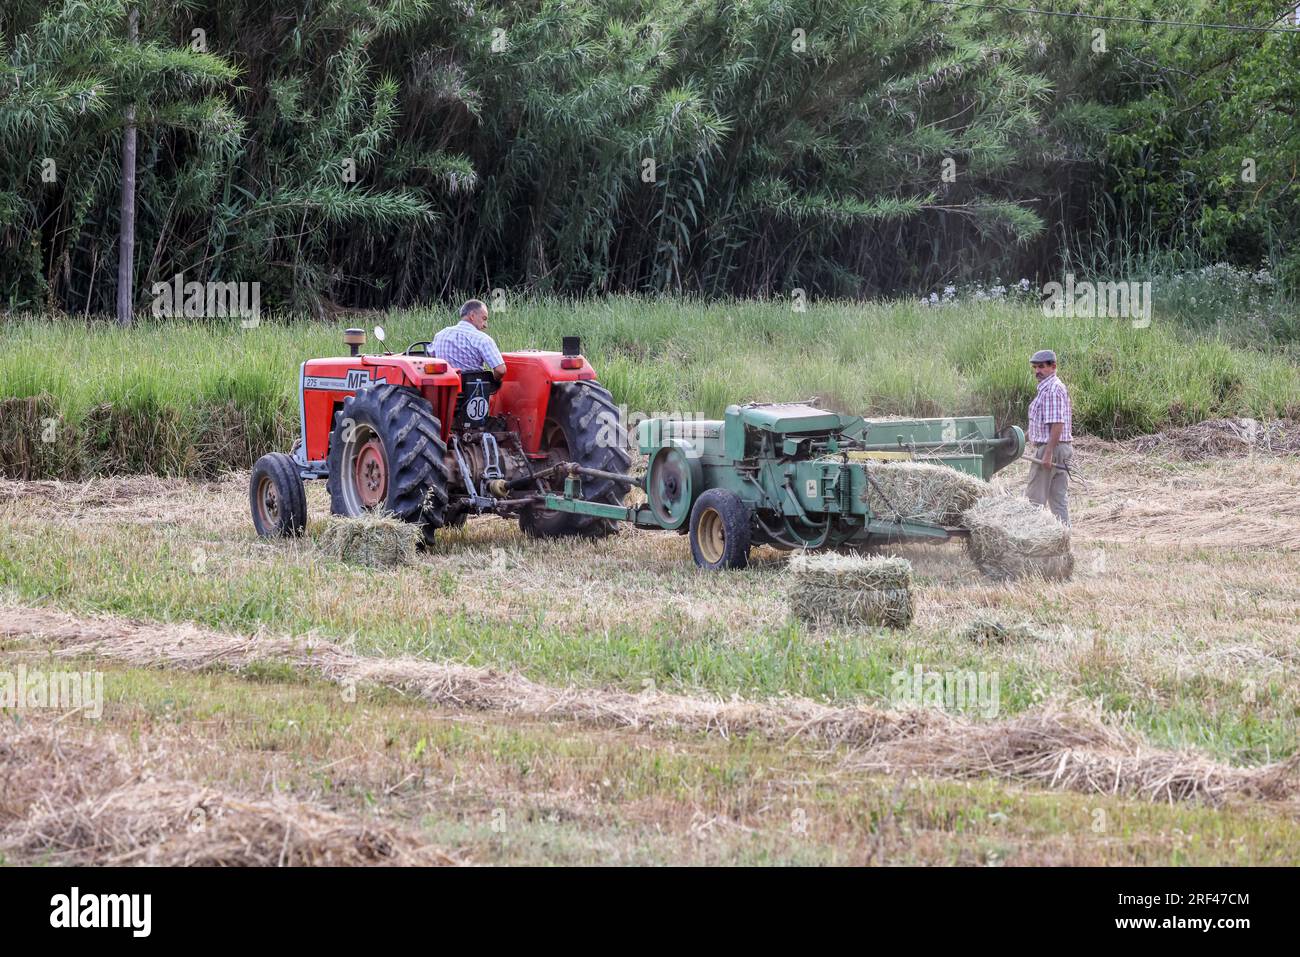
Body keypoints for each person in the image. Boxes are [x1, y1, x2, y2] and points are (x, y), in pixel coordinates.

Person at [1025, 349, 1073, 525]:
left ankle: (1031, 543)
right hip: (1061, 448)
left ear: (1053, 366)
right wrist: (1021, 438)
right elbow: (1042, 423)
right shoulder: (1048, 388)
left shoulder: (1052, 389)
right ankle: (1063, 540)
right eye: (1035, 367)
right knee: (1058, 500)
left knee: (1033, 500)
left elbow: (1057, 424)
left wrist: (1048, 453)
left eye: (1042, 367)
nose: (1037, 371)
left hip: (1050, 448)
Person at [432, 299, 507, 380]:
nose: (485, 325)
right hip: (474, 390)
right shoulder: (482, 339)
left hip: (445, 389)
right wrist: (494, 381)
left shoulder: (439, 335)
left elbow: (431, 357)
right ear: (472, 315)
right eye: (484, 319)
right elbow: (500, 370)